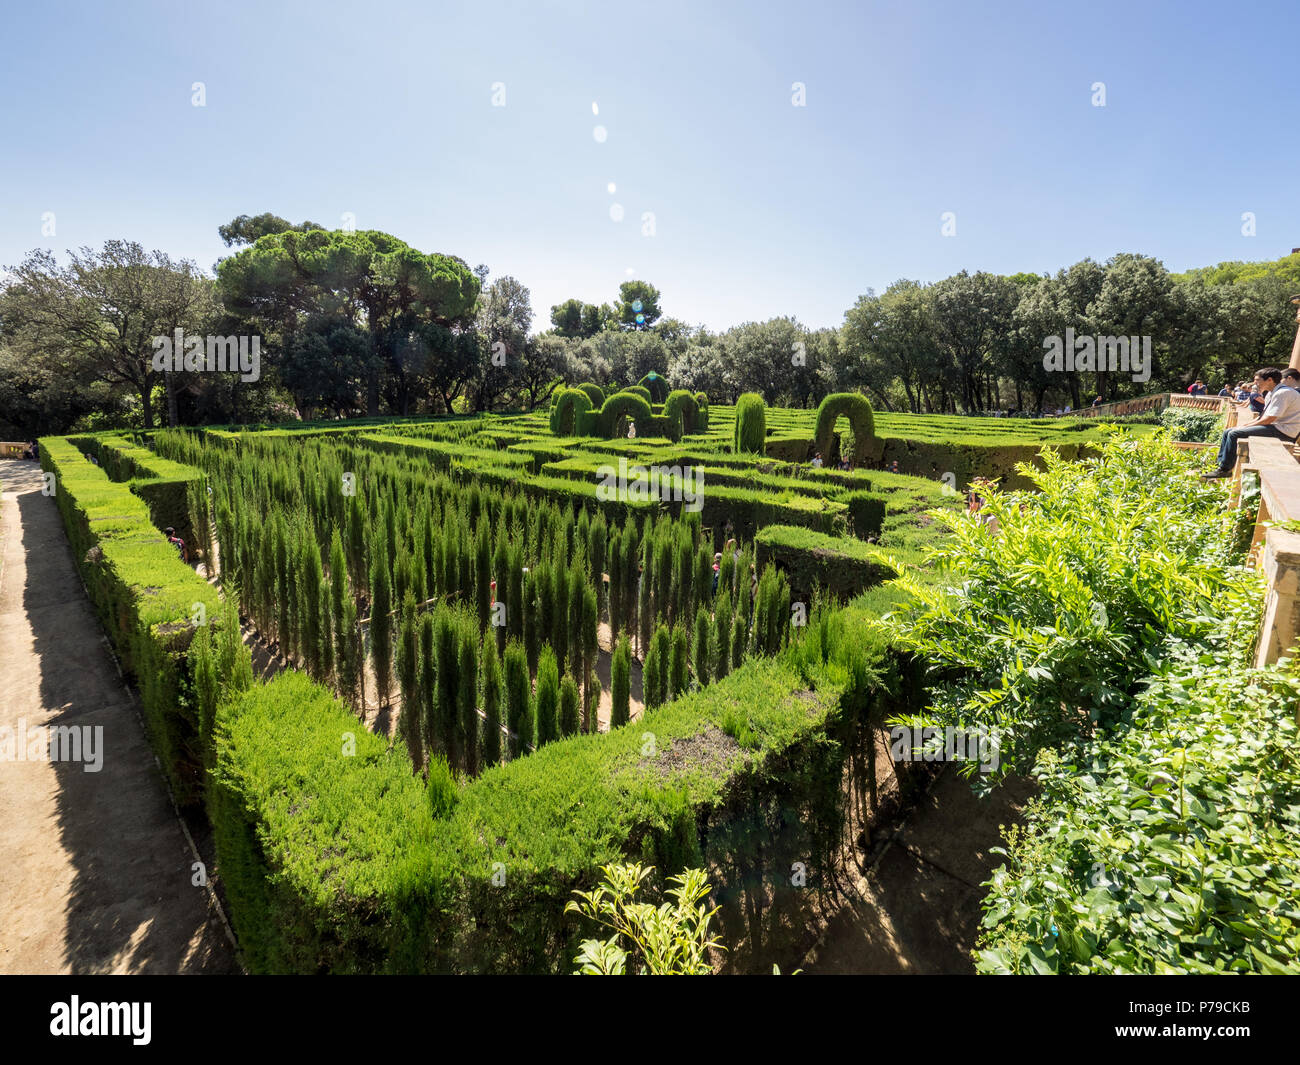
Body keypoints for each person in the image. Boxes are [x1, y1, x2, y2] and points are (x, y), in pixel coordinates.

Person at [1203, 368, 1300, 479]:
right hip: (1276, 427)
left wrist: (1247, 426)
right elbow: (1263, 416)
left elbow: (1269, 419)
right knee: (1228, 431)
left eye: (1258, 380)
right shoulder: (1272, 393)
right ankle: (1220, 464)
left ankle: (1225, 469)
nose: (1255, 384)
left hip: (1284, 431)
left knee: (1234, 434)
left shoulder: (1283, 393)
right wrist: (1246, 425)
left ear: (1269, 380)